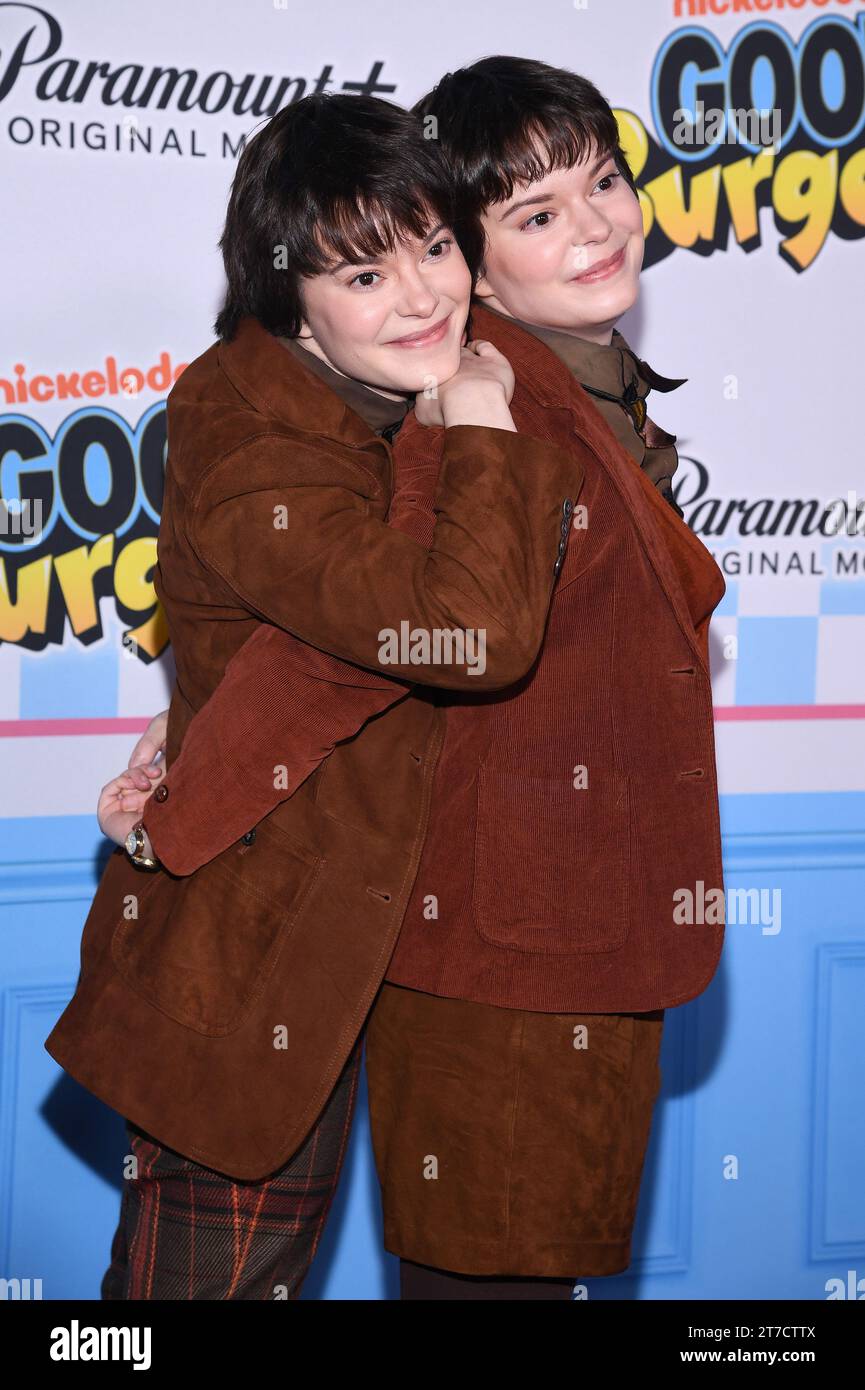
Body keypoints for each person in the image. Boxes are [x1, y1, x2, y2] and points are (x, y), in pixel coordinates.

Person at [75, 58, 729, 1300]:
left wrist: (181, 742)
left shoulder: (499, 389)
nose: (419, 294)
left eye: (603, 183)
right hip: (298, 927)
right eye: (535, 214)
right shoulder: (452, 408)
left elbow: (328, 643)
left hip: (452, 921)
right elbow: (389, 645)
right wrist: (179, 807)